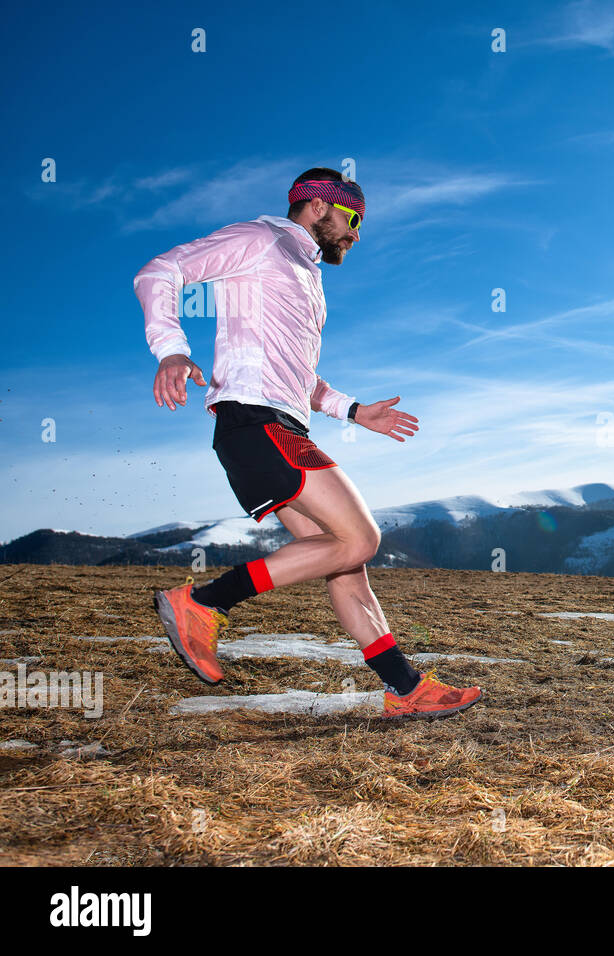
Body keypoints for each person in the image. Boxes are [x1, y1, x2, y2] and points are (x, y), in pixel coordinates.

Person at [134, 167, 481, 720]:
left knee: (346, 562)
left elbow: (300, 374)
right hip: (255, 421)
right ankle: (202, 602)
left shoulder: (304, 273)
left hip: (278, 424)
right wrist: (171, 349)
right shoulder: (261, 239)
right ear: (318, 205)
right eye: (353, 219)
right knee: (361, 538)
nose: (357, 235)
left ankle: (404, 689)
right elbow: (161, 270)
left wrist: (352, 410)